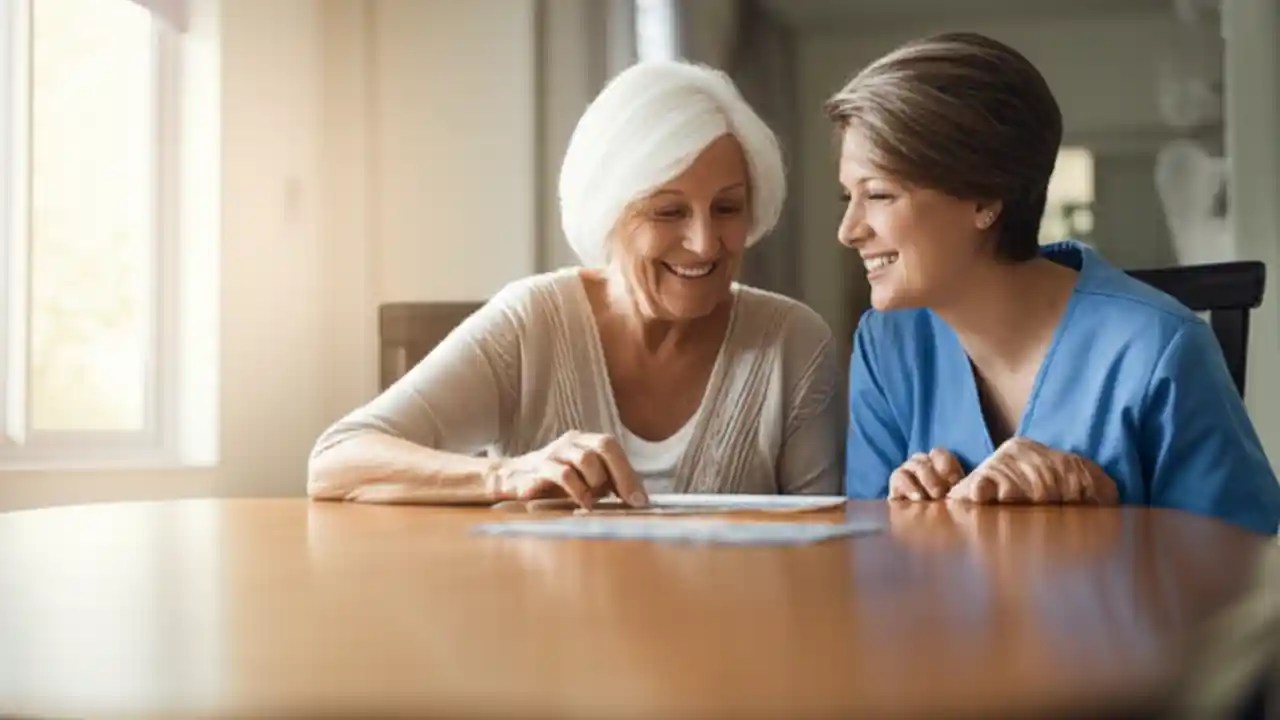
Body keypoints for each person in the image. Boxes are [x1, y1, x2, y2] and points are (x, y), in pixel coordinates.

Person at [308, 61, 842, 508]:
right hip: (547, 629)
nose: (704, 243)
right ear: (610, 211)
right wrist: (505, 476)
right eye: (668, 211)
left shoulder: (792, 343)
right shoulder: (530, 322)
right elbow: (337, 461)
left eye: (726, 208)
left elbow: (830, 550)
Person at [829, 32, 1280, 534]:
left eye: (880, 195)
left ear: (984, 199)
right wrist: (911, 516)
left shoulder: (1160, 349)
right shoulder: (886, 345)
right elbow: (868, 561)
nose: (849, 230)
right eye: (847, 196)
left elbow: (1248, 573)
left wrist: (1107, 516)